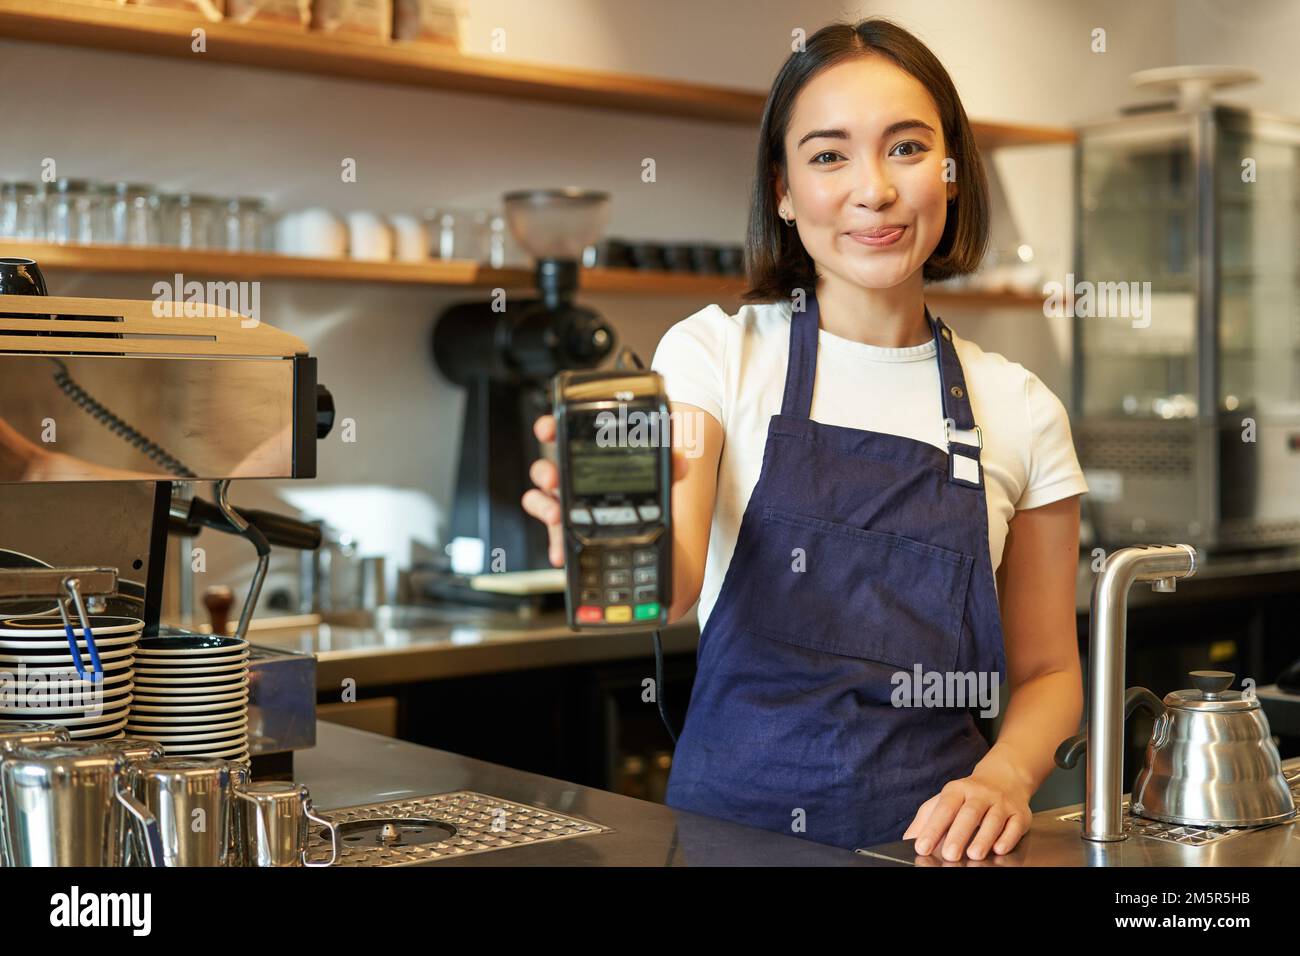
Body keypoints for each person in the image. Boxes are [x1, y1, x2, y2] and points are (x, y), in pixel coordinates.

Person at [523, 17, 1086, 861]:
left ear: (952, 171)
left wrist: (1005, 776)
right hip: (730, 842)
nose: (874, 190)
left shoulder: (1022, 407)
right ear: (783, 190)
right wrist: (612, 543)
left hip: (932, 848)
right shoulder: (717, 354)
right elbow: (668, 588)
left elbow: (1049, 672)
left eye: (905, 148)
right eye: (829, 156)